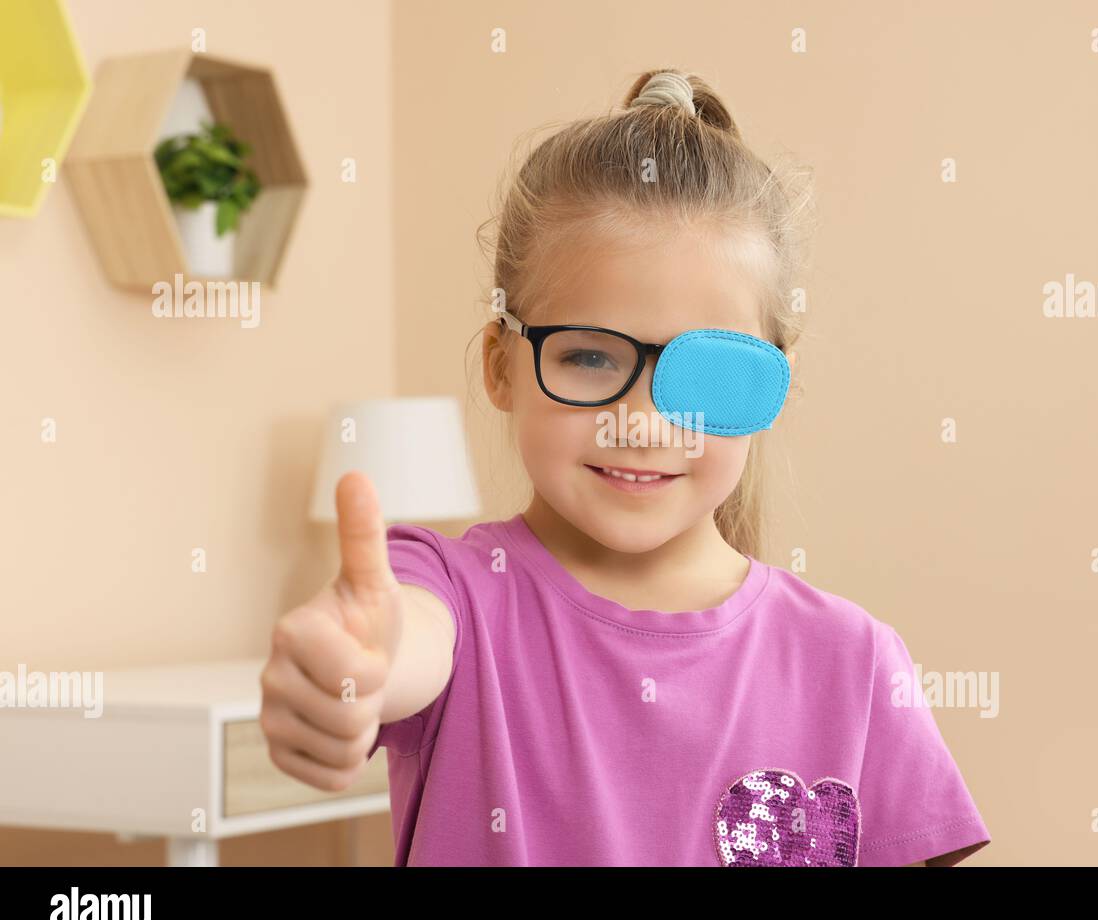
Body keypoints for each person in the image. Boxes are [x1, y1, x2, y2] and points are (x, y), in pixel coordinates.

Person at [260, 68, 991, 867]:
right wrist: (350, 672)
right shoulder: (455, 595)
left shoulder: (854, 662)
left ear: (767, 386)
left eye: (703, 373)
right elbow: (401, 644)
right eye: (588, 356)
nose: (639, 420)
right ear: (502, 365)